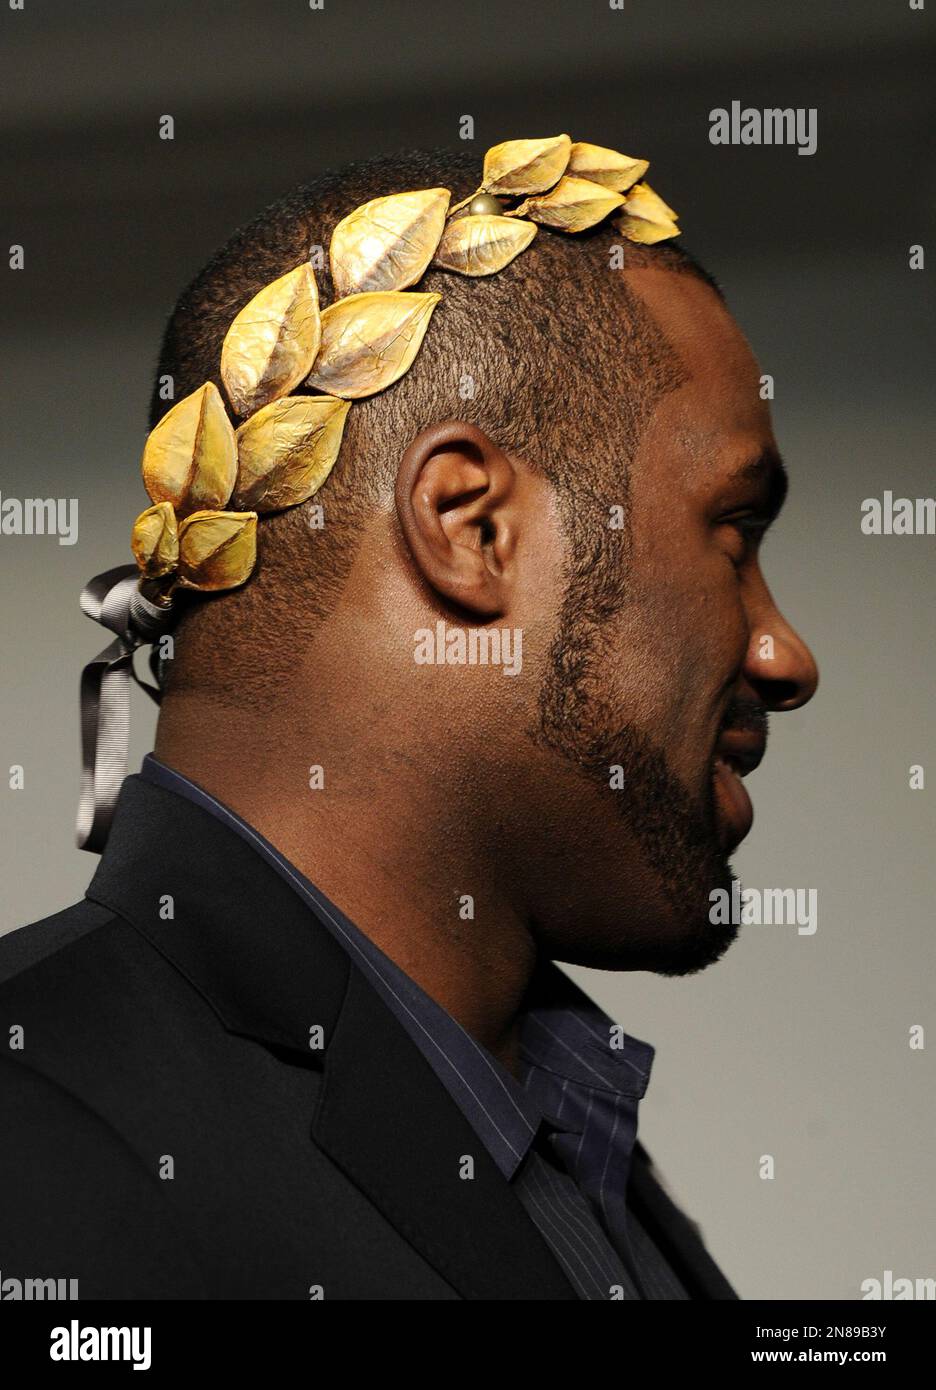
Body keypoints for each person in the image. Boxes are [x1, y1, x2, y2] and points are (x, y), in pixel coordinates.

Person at [0, 142, 817, 1300]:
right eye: (732, 535)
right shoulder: (35, 1131)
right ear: (468, 527)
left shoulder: (576, 1139)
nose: (786, 656)